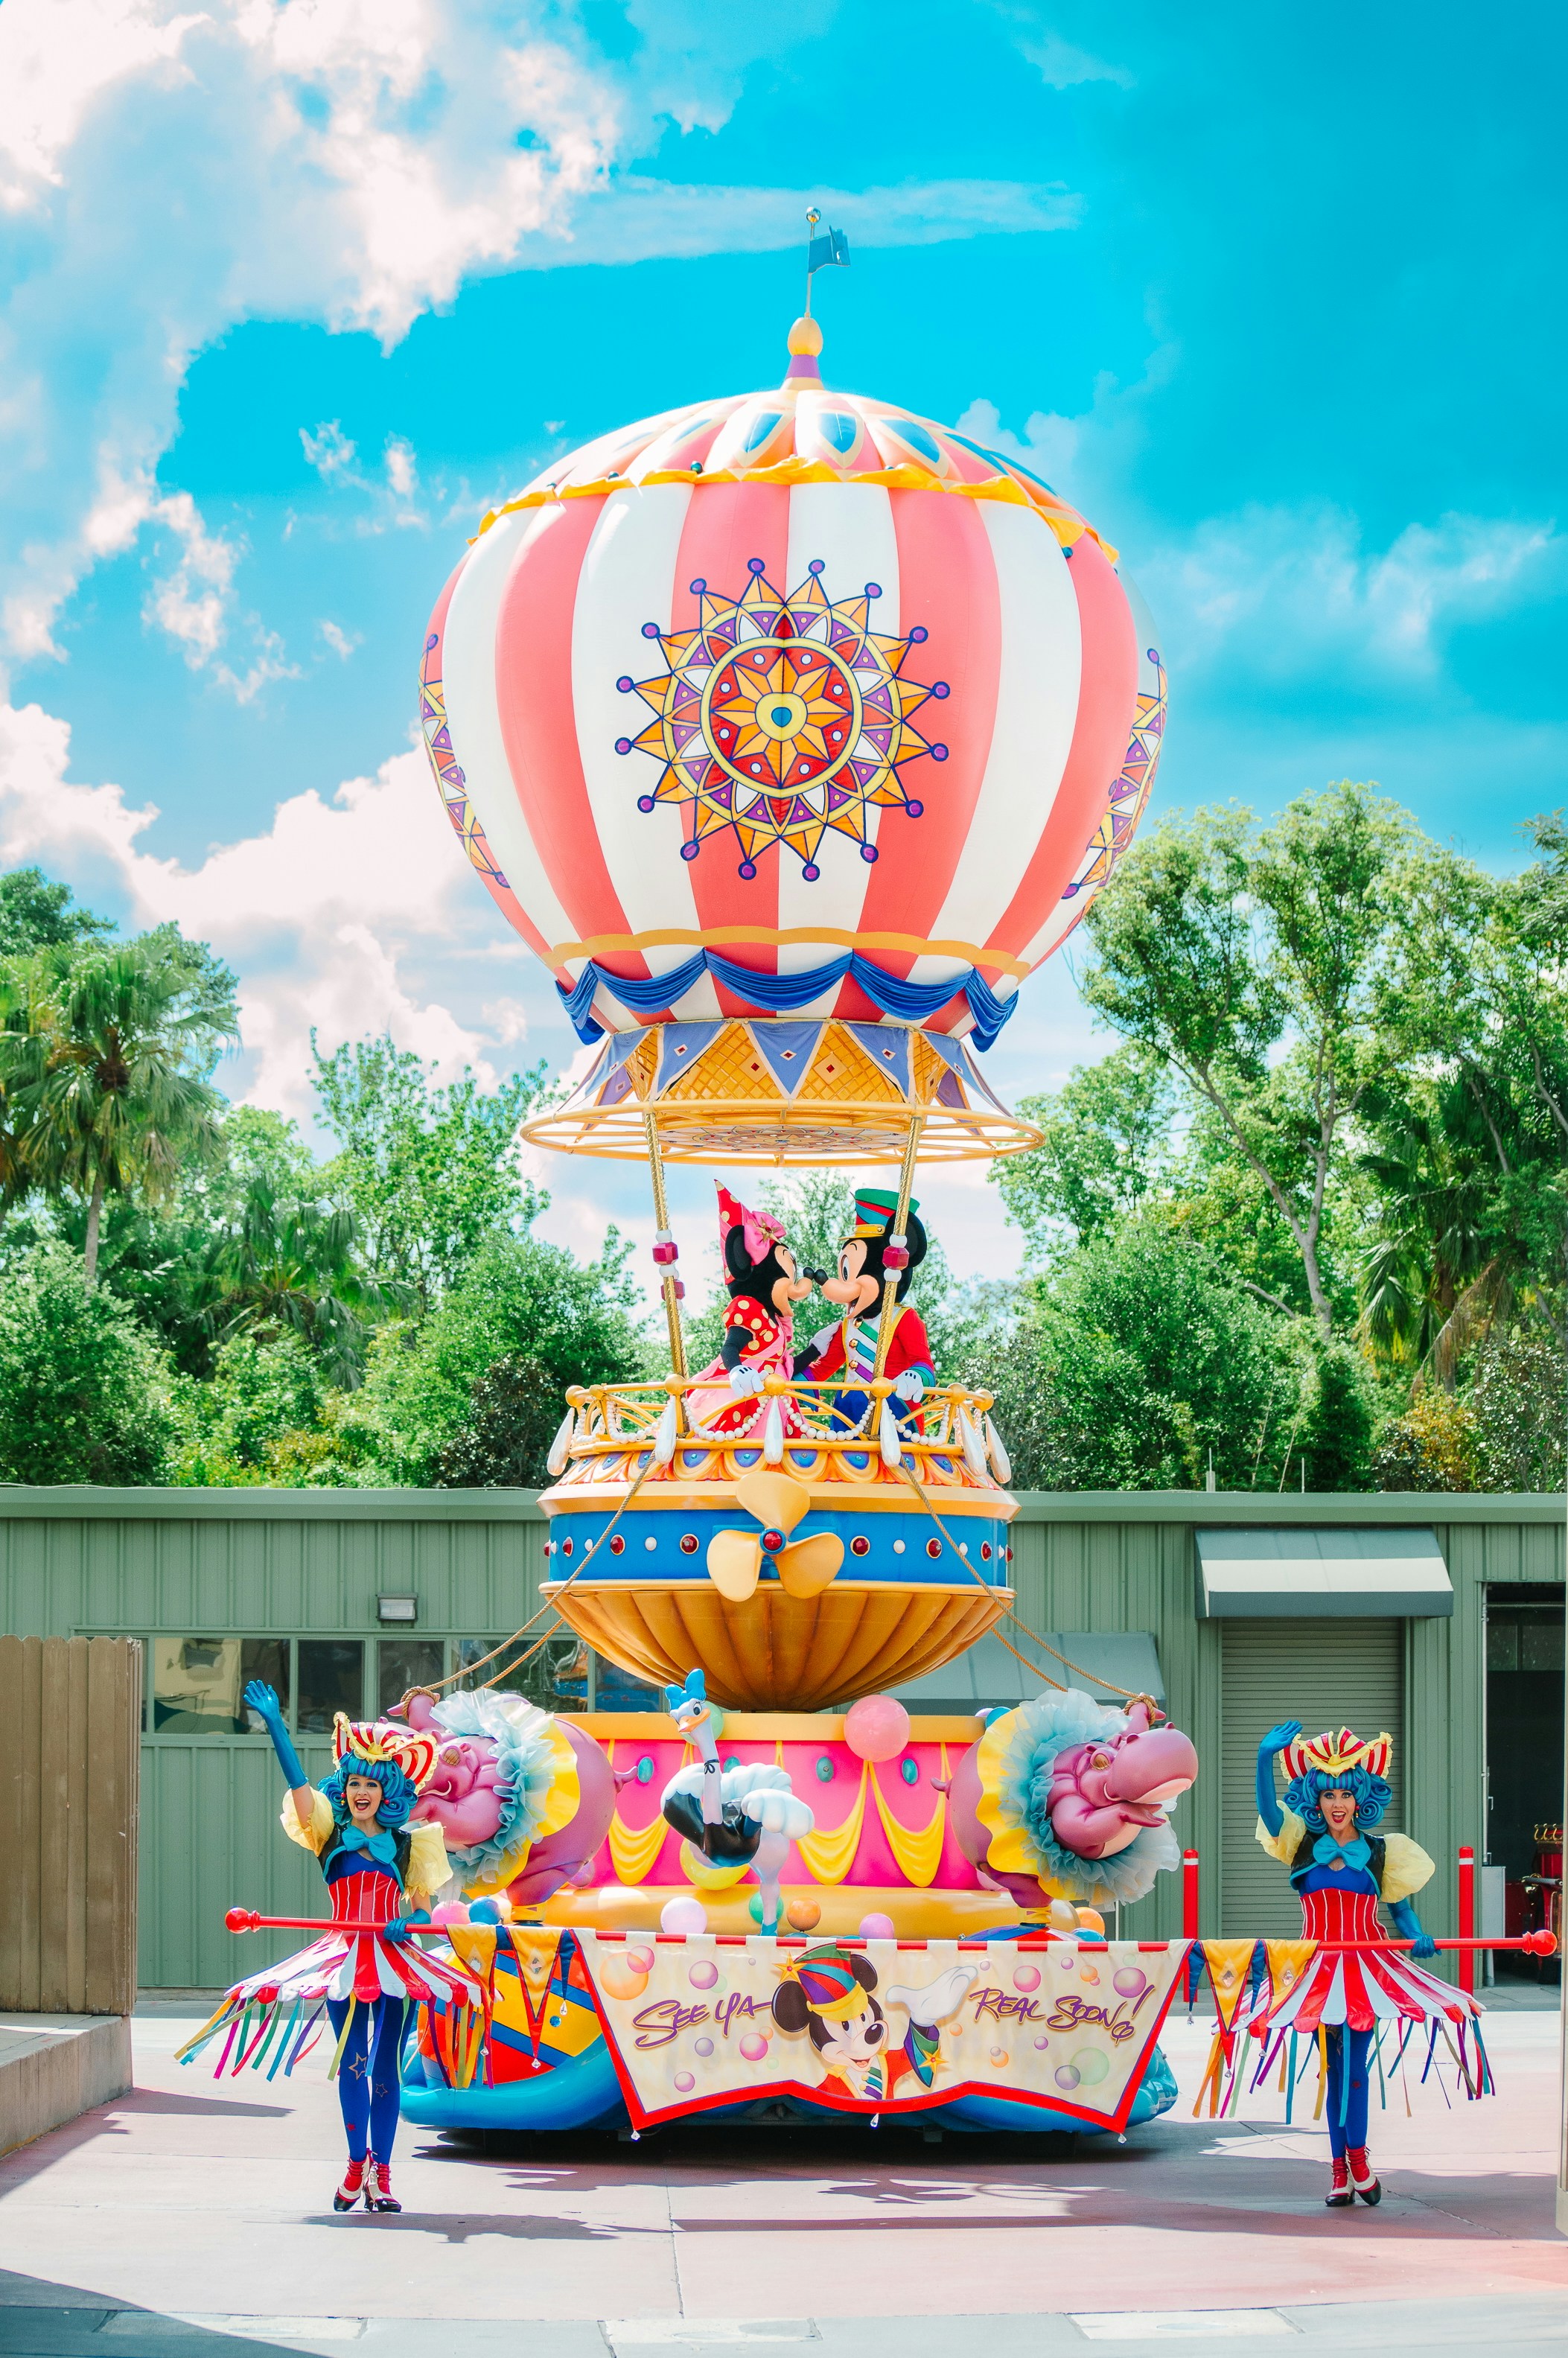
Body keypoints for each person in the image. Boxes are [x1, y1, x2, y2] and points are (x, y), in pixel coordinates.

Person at [226, 1680, 482, 2214]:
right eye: (355, 1782)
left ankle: (382, 2175)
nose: (362, 1791)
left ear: (388, 1790)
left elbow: (420, 1907)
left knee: (385, 2063)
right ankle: (353, 2164)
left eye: (372, 1783)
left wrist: (406, 1921)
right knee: (352, 2062)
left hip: (391, 1965)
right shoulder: (328, 1832)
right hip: (344, 1960)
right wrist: (276, 1727)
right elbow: (299, 1786)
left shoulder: (411, 1842)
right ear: (345, 1787)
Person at [1251, 1719, 1484, 2208]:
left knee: (1354, 2067)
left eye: (1346, 1793)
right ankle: (1342, 2168)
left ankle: (1355, 2160)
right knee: (1333, 2070)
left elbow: (1400, 1909)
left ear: (1361, 1797)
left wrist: (1417, 1934)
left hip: (1365, 1969)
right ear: (1316, 1798)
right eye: (1329, 1793)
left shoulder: (1382, 1852)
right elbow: (1271, 1816)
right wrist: (1261, 1759)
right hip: (1317, 1971)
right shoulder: (1300, 1845)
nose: (1338, 1803)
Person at [797, 1185, 935, 1430]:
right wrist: (797, 1379)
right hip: (848, 1412)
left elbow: (923, 1361)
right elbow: (827, 1365)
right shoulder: (847, 1325)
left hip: (894, 1414)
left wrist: (916, 1376)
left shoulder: (904, 1318)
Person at [686, 1186, 820, 1435]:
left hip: (777, 1402)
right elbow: (730, 1347)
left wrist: (816, 1349)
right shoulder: (749, 1308)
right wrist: (736, 1369)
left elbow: (785, 1366)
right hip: (747, 1403)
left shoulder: (777, 1322)